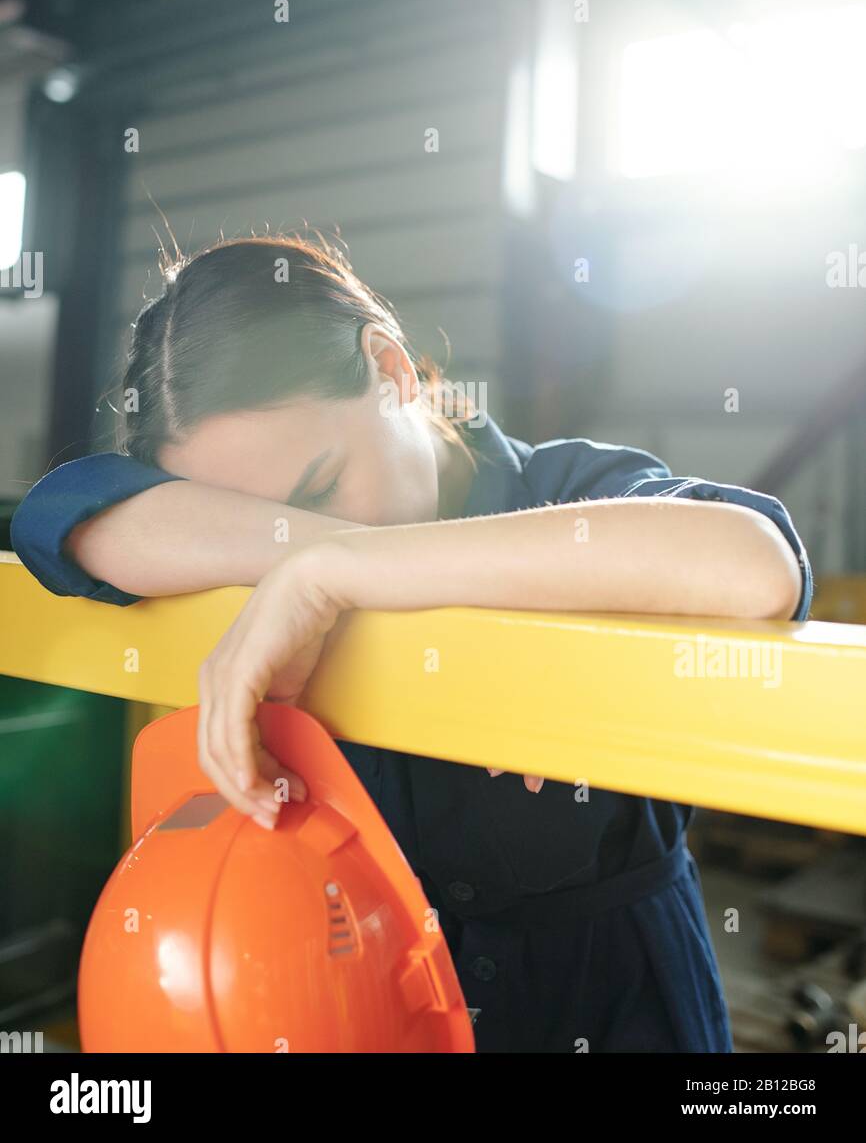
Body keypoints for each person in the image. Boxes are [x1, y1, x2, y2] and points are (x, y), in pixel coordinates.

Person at [11, 233, 812, 1054]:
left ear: (392, 372)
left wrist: (339, 570)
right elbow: (62, 519)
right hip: (380, 993)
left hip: (617, 999)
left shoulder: (567, 491)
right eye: (256, 526)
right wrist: (309, 555)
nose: (293, 541)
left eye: (319, 489)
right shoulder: (271, 540)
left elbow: (753, 563)